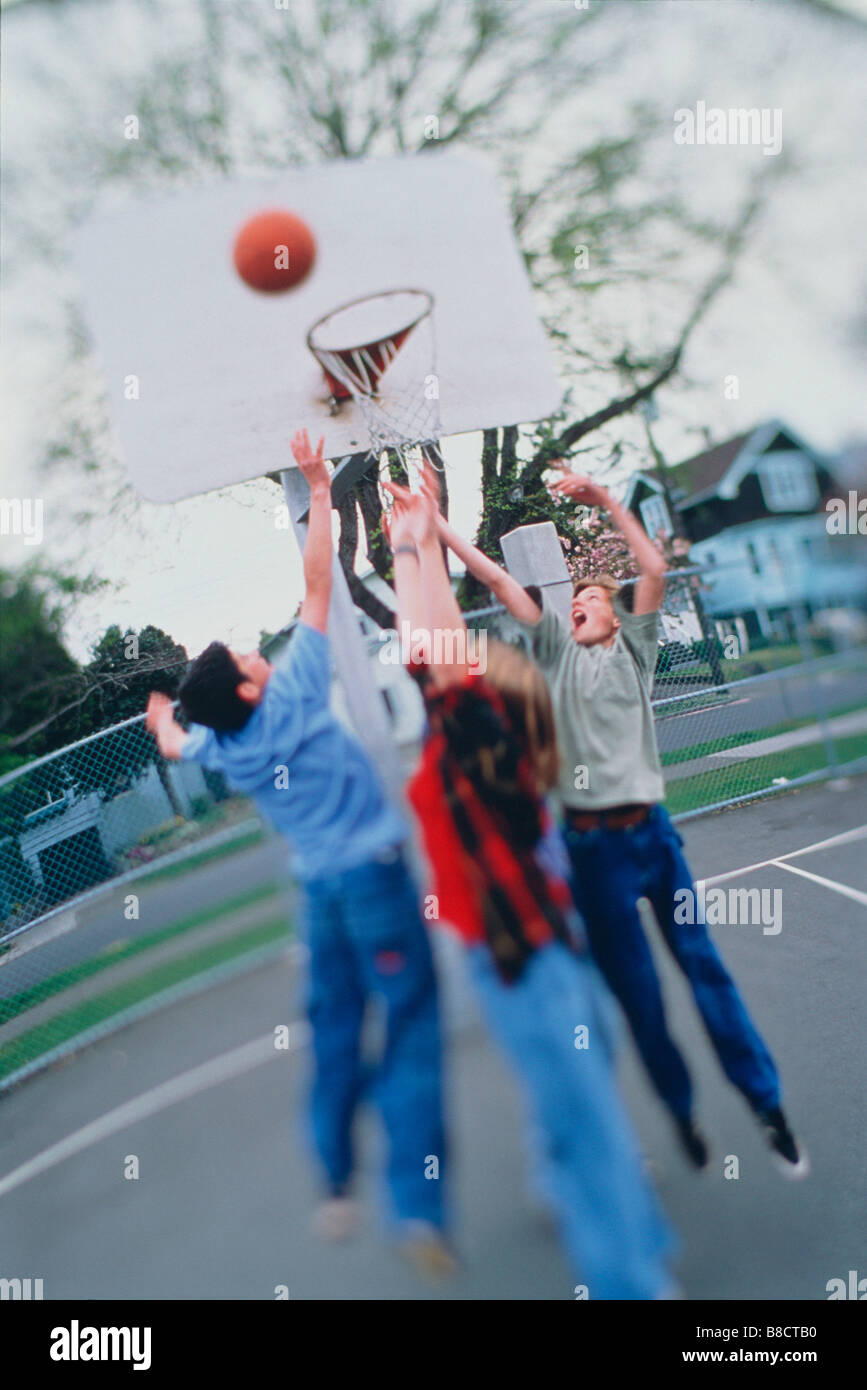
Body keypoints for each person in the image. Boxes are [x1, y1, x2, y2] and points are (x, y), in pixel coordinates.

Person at [427, 460, 808, 1179]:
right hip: (591, 850)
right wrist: (436, 521)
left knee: (703, 971)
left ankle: (766, 1105)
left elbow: (652, 564)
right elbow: (499, 580)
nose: (576, 602)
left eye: (590, 599)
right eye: (570, 600)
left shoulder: (634, 651)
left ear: (614, 615)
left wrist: (601, 496)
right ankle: (681, 1112)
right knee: (639, 1000)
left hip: (651, 836)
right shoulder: (549, 653)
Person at [146, 430, 451, 1272]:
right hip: (377, 883)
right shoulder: (296, 695)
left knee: (334, 1031)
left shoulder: (227, 747)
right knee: (414, 1026)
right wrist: (319, 489)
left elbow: (178, 744)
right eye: (249, 656)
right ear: (251, 685)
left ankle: (336, 1188)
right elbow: (321, 582)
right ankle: (418, 1209)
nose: (260, 652)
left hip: (320, 897)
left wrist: (162, 720)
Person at [381, 465, 679, 1299]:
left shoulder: (474, 761)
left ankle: (619, 1265)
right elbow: (432, 648)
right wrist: (418, 537)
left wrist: (414, 541)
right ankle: (610, 1240)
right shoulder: (492, 751)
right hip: (538, 947)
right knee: (586, 1103)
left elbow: (428, 649)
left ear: (475, 706)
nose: (452, 665)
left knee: (586, 1110)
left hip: (530, 955)